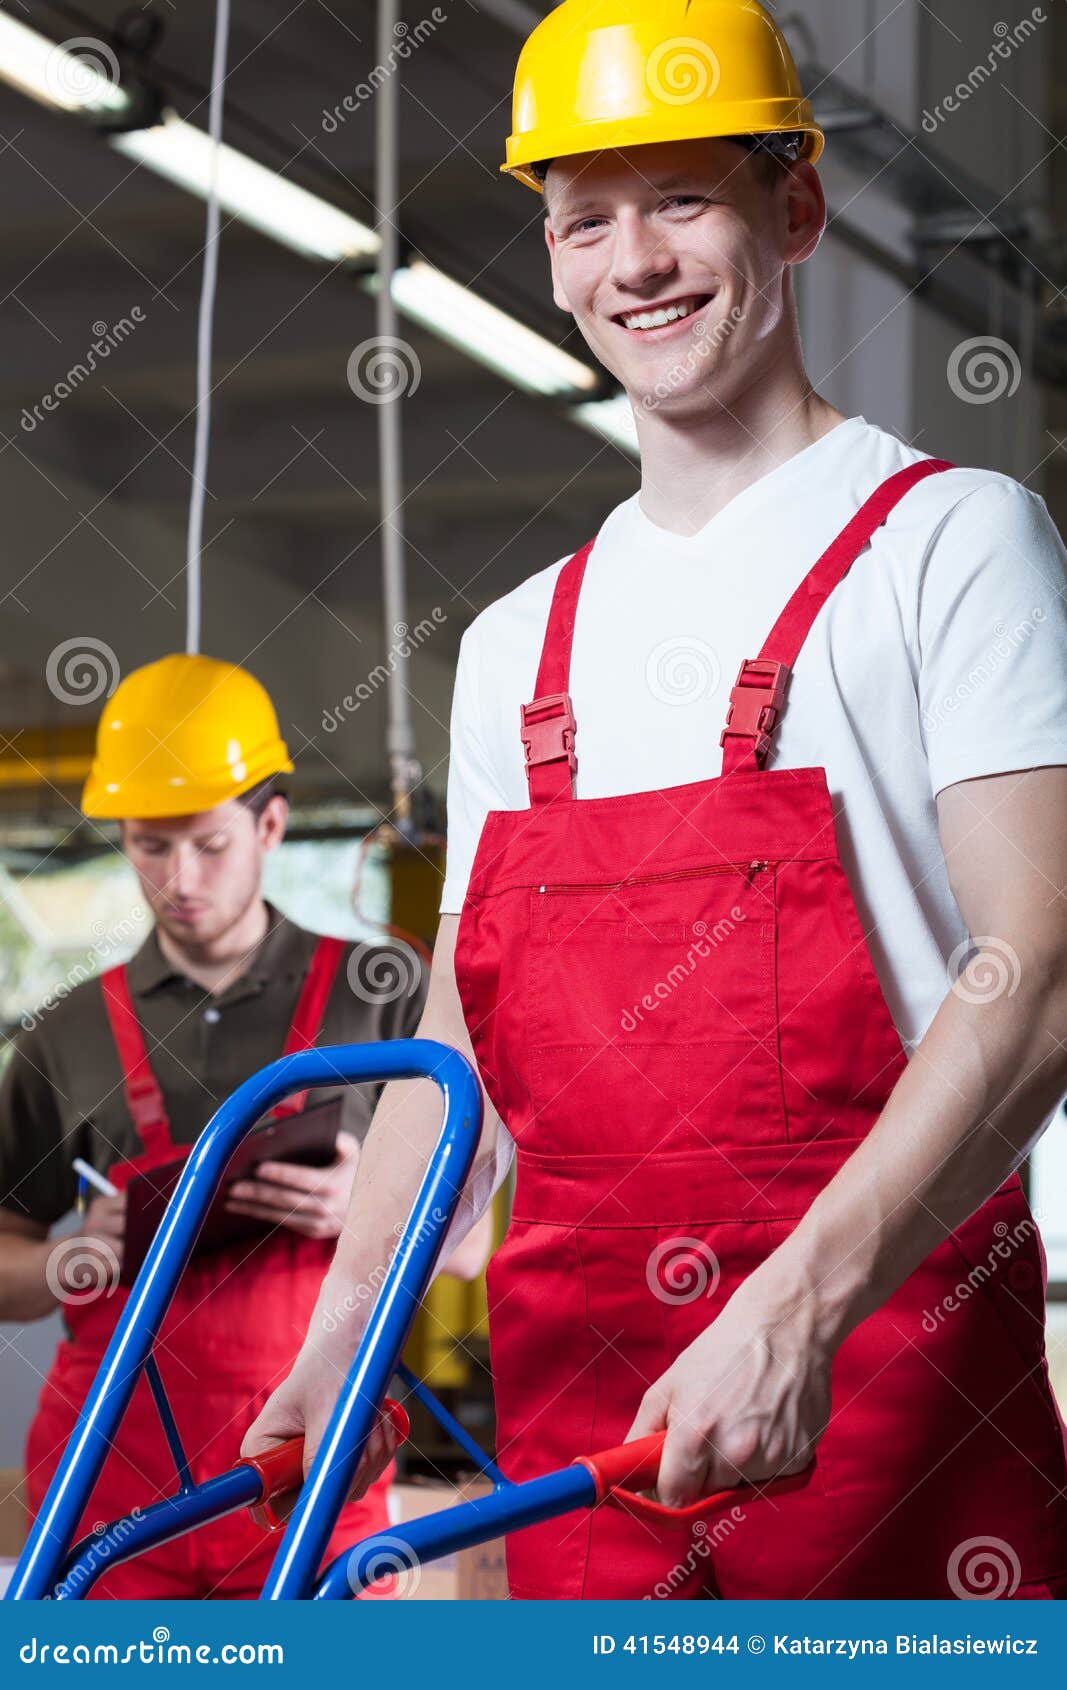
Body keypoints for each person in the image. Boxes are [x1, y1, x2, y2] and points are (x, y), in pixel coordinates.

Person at [245, 0, 1067, 1599]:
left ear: (796, 205)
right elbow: (466, 1050)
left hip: (893, 1427)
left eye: (683, 197)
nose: (635, 261)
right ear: (550, 255)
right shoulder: (514, 650)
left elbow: (1032, 972)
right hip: (586, 1452)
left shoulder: (951, 543)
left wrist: (790, 1309)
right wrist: (341, 1334)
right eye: (584, 218)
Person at [0, 653, 488, 1599]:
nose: (178, 877)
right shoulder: (64, 1033)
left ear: (269, 824)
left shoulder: (381, 995)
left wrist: (373, 1208)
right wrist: (74, 1255)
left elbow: (468, 1256)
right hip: (108, 1489)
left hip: (311, 1469)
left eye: (208, 844)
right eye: (149, 845)